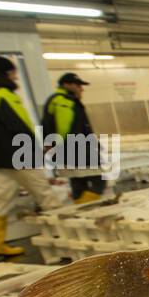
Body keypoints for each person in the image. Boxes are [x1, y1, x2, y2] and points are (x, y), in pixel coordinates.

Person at [0, 55, 64, 256]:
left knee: (0, 198)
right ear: (7, 73)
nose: (16, 77)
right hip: (18, 155)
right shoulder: (4, 94)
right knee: (44, 194)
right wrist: (35, 149)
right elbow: (19, 124)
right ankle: (62, 236)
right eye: (14, 73)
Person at [42, 72, 103, 205]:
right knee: (99, 181)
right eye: (78, 85)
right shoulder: (64, 101)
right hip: (76, 148)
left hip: (69, 149)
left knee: (78, 183)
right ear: (67, 85)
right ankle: (84, 209)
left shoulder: (59, 100)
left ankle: (82, 213)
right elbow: (65, 127)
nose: (81, 89)